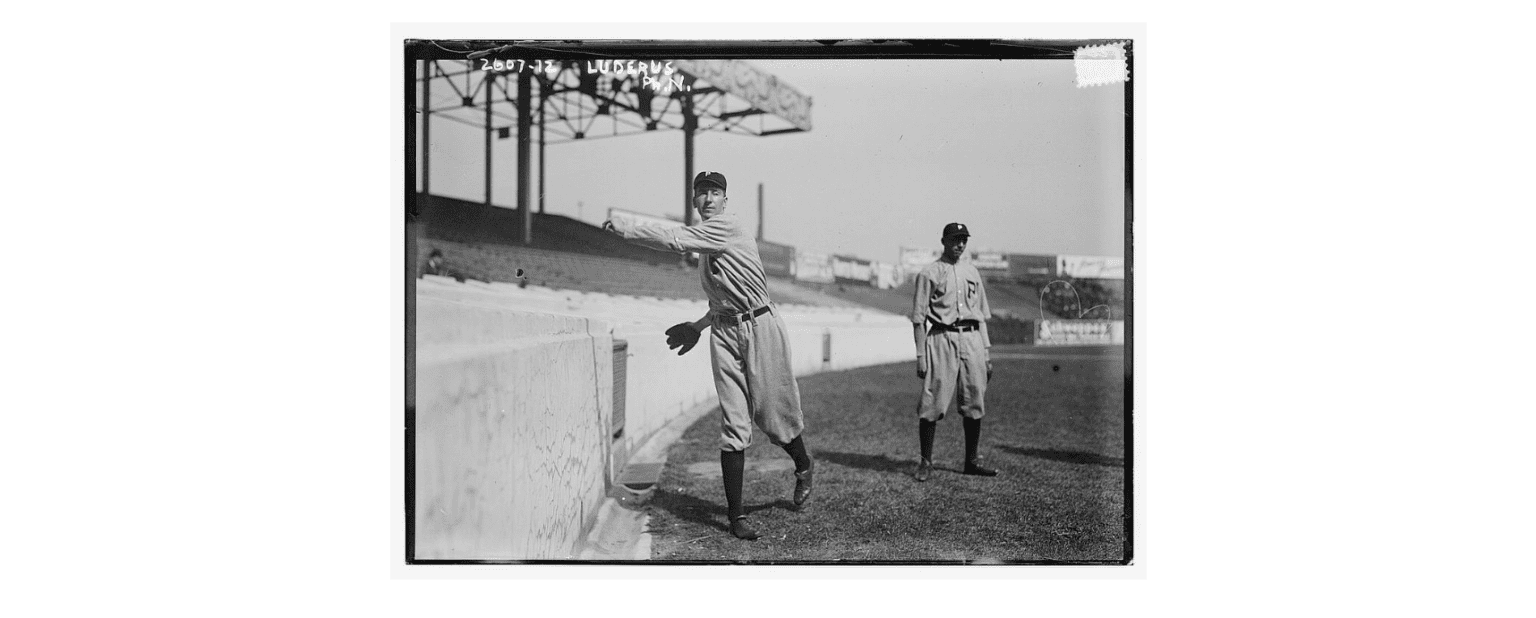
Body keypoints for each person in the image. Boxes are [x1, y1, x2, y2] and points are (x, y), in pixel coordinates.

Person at [603, 171, 814, 541]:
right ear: (696, 202)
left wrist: (625, 229)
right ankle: (737, 517)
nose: (709, 200)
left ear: (726, 201)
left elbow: (673, 238)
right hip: (724, 330)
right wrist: (699, 327)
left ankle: (803, 463)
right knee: (734, 424)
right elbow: (722, 300)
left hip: (761, 326)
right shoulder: (708, 243)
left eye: (715, 193)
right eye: (702, 194)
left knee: (773, 415)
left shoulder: (726, 227)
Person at [910, 222, 998, 481]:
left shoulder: (972, 271)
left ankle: (971, 461)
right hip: (941, 337)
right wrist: (920, 355)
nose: (960, 244)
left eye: (964, 239)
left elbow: (980, 315)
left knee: (974, 400)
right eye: (955, 239)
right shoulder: (929, 273)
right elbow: (918, 318)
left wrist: (987, 352)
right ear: (944, 241)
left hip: (972, 338)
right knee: (932, 401)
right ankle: (926, 461)